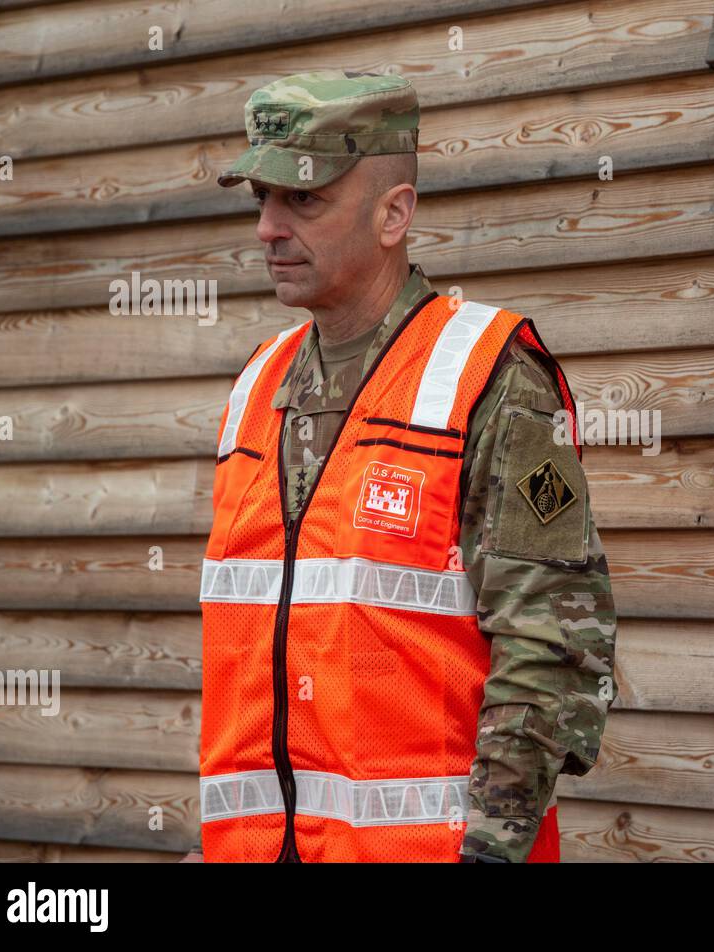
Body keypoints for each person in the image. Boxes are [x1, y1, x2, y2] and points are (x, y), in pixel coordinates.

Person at [184, 70, 616, 863]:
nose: (268, 229)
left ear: (394, 213)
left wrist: (489, 849)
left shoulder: (488, 374)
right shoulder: (258, 386)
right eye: (261, 200)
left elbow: (553, 643)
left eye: (302, 200)